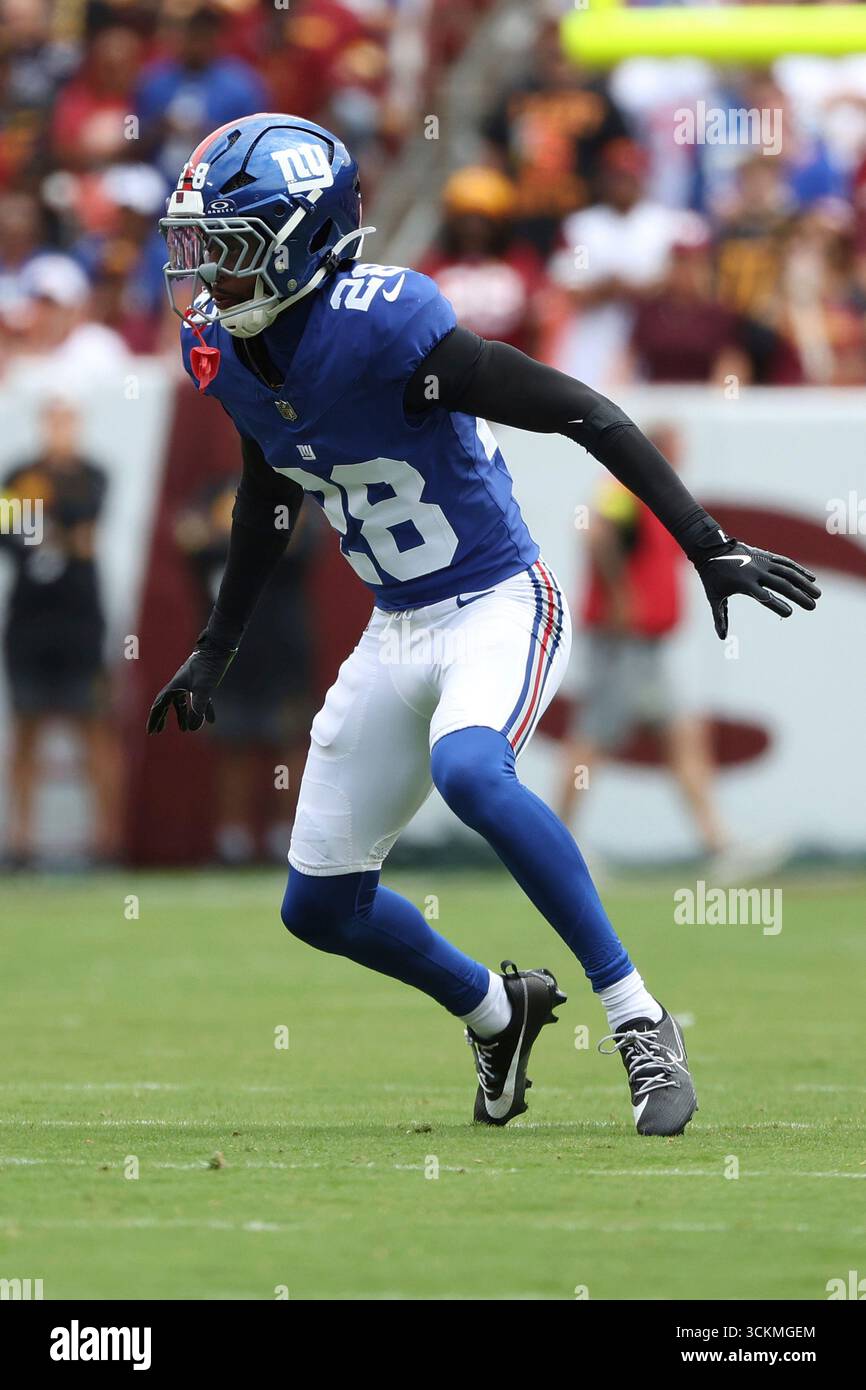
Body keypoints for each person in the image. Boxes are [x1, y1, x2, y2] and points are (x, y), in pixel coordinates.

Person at [146, 115, 820, 1137]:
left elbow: (576, 405)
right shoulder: (225, 351)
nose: (211, 277)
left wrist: (702, 538)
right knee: (317, 907)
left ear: (302, 240)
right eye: (203, 248)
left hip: (499, 596)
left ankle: (637, 1017)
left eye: (232, 249)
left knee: (469, 771)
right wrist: (214, 645)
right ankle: (496, 1010)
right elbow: (265, 487)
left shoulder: (386, 326)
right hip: (396, 624)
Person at [558, 426, 730, 864]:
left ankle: (718, 846)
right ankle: (557, 847)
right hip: (624, 639)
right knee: (593, 738)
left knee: (683, 735)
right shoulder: (622, 487)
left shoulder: (649, 494)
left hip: (649, 641)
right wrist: (620, 596)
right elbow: (596, 535)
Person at [1, 396, 119, 866]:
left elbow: (85, 518)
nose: (59, 430)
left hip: (81, 623)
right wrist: (51, 529)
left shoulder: (93, 473)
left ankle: (106, 842)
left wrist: (44, 518)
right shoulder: (17, 474)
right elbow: (9, 535)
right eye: (52, 421)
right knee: (26, 727)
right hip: (29, 623)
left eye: (67, 421)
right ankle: (22, 841)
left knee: (93, 727)